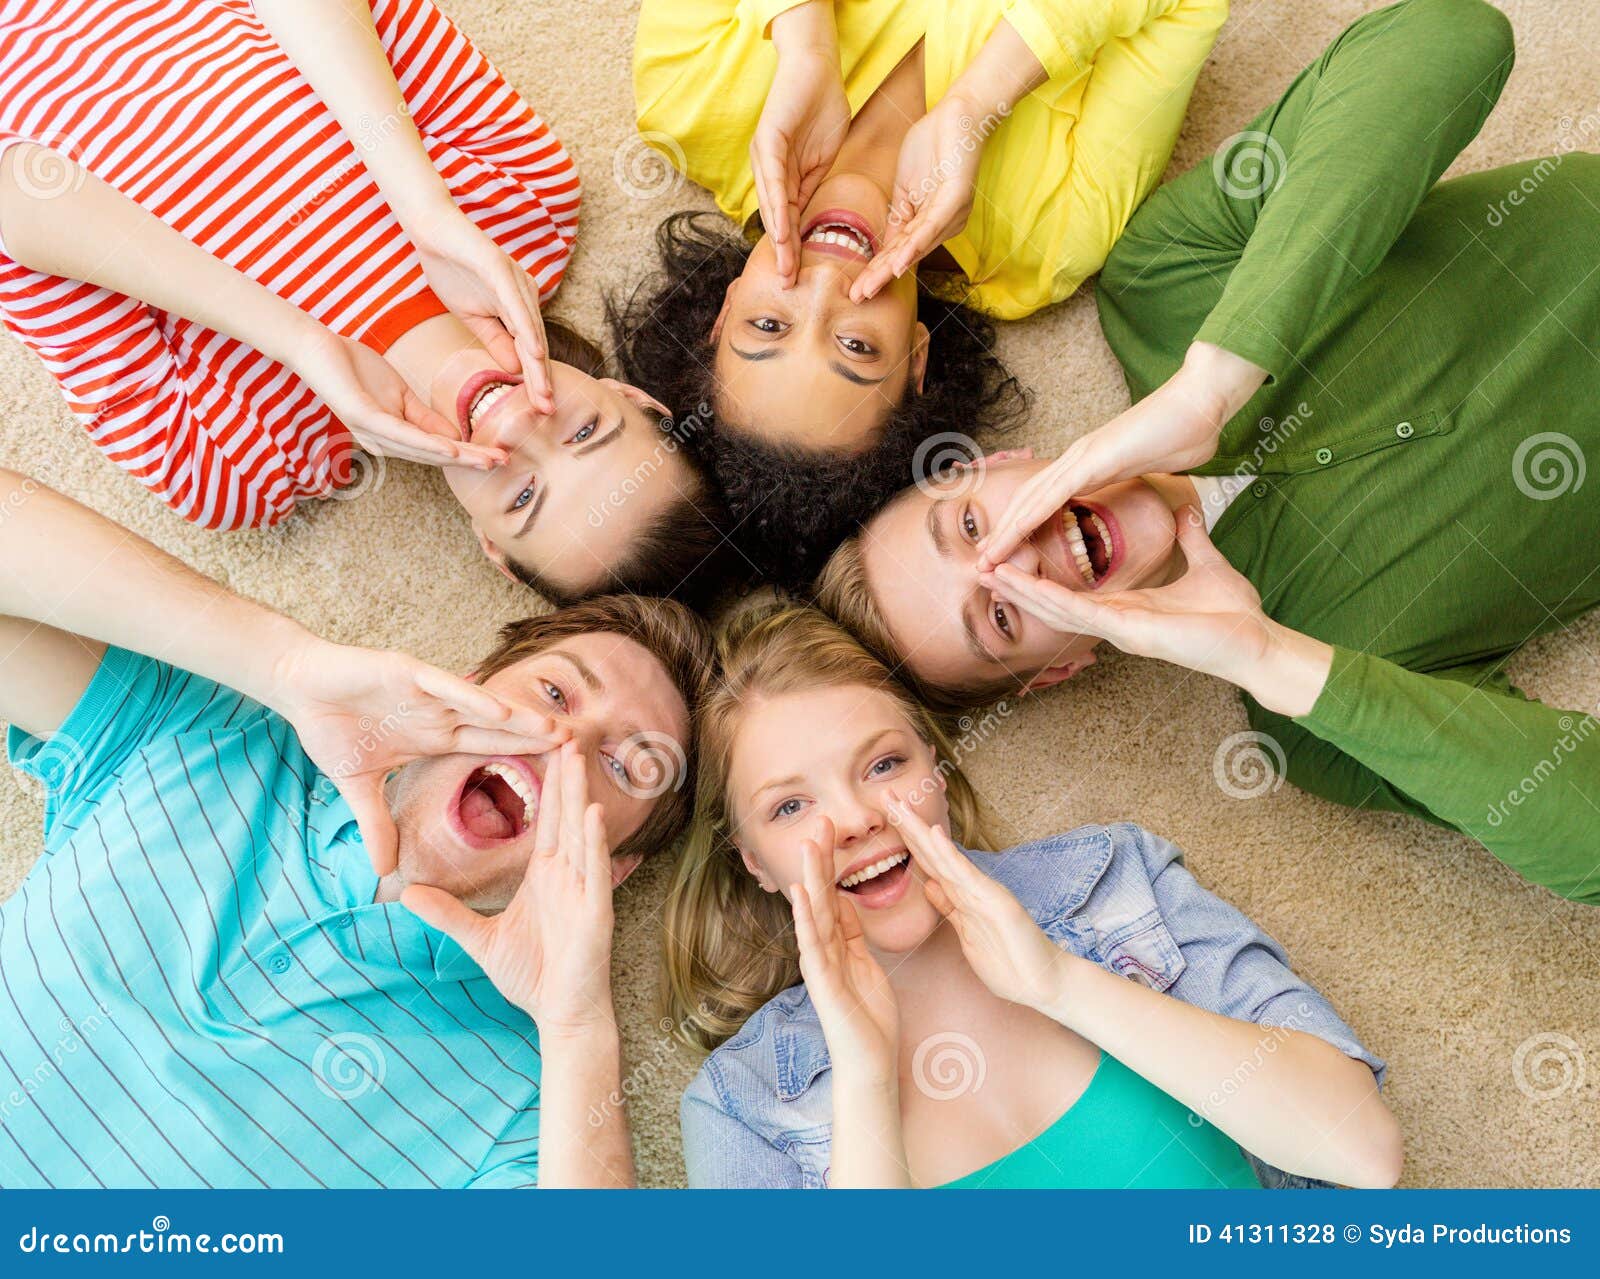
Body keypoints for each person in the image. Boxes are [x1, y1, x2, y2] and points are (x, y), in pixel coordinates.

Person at [816, 0, 1600, 903]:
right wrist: (1267, 655)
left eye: (969, 527)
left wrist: (1214, 383)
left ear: (996, 461)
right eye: (1001, 616)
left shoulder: (1161, 281)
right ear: (1060, 668)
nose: (1017, 559)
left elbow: (1453, 40)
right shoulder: (1313, 719)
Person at [0, 467, 715, 1187]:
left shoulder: (518, 1106)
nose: (568, 741)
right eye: (554, 691)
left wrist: (575, 1024)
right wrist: (285, 664)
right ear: (466, 684)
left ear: (615, 865)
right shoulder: (209, 732)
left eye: (629, 767)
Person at [0, 0, 727, 603]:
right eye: (583, 433)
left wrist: (295, 340)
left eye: (523, 498)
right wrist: (424, 206)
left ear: (492, 550)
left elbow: (14, 195)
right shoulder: (525, 205)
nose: (513, 427)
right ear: (635, 397)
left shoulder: (241, 468)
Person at [663, 606, 1400, 1189]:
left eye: (884, 764)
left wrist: (1058, 982)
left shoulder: (1114, 879)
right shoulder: (741, 1104)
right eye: (791, 807)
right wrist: (863, 1080)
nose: (856, 819)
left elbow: (1364, 1150)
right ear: (754, 862)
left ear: (937, 773)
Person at [617, 0, 1228, 585]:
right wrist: (981, 98)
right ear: (917, 359)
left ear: (724, 312)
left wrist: (806, 46)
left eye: (769, 326)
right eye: (856, 344)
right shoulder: (1048, 242)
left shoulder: (687, 101)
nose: (827, 282)